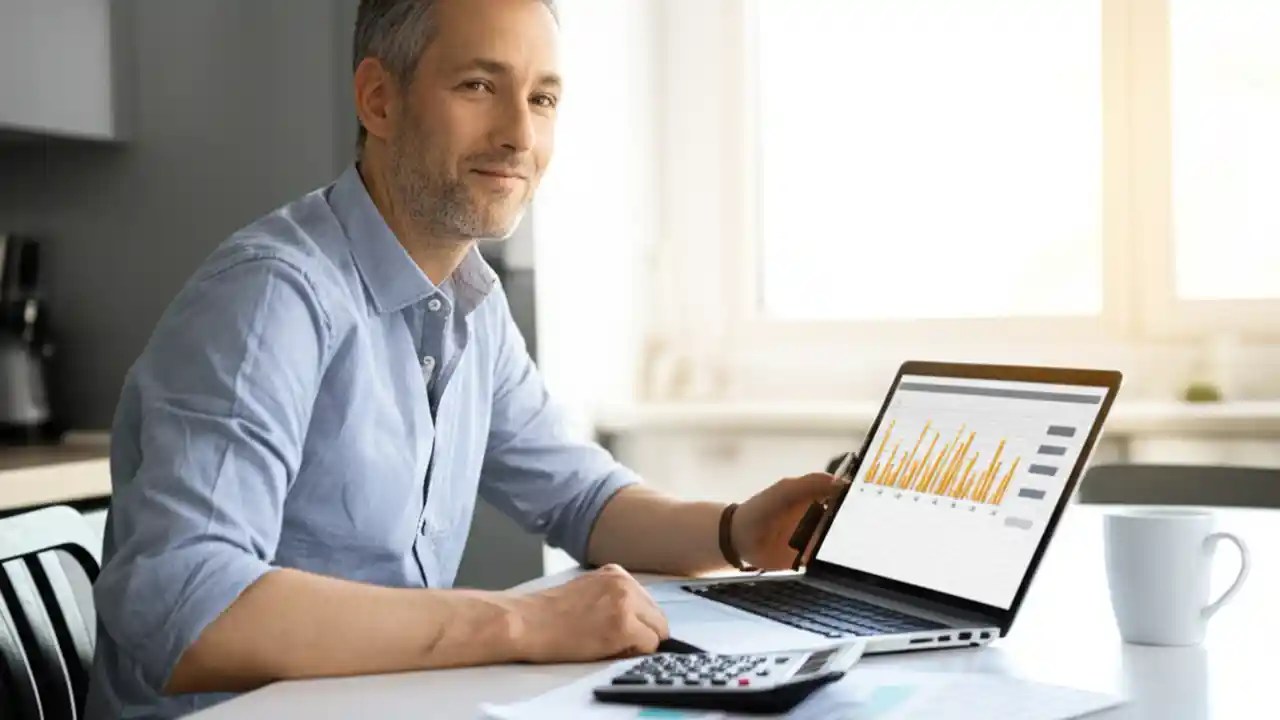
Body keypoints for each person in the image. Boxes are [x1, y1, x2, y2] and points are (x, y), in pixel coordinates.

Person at [85, 0, 844, 717]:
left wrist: (739, 531)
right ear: (379, 100)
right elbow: (188, 608)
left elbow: (583, 502)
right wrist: (521, 622)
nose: (520, 135)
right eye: (480, 85)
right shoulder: (269, 298)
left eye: (543, 99)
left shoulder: (470, 309)